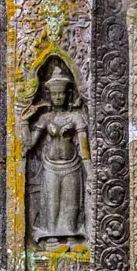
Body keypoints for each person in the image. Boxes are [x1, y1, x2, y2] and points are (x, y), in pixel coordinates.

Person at [25, 62, 89, 243]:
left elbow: (84, 149)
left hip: (72, 165)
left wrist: (90, 172)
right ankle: (51, 236)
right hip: (50, 166)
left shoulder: (76, 117)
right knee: (52, 203)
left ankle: (71, 235)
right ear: (49, 95)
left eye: (61, 93)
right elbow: (29, 145)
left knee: (71, 203)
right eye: (54, 94)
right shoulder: (46, 118)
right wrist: (24, 122)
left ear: (68, 94)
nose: (58, 97)